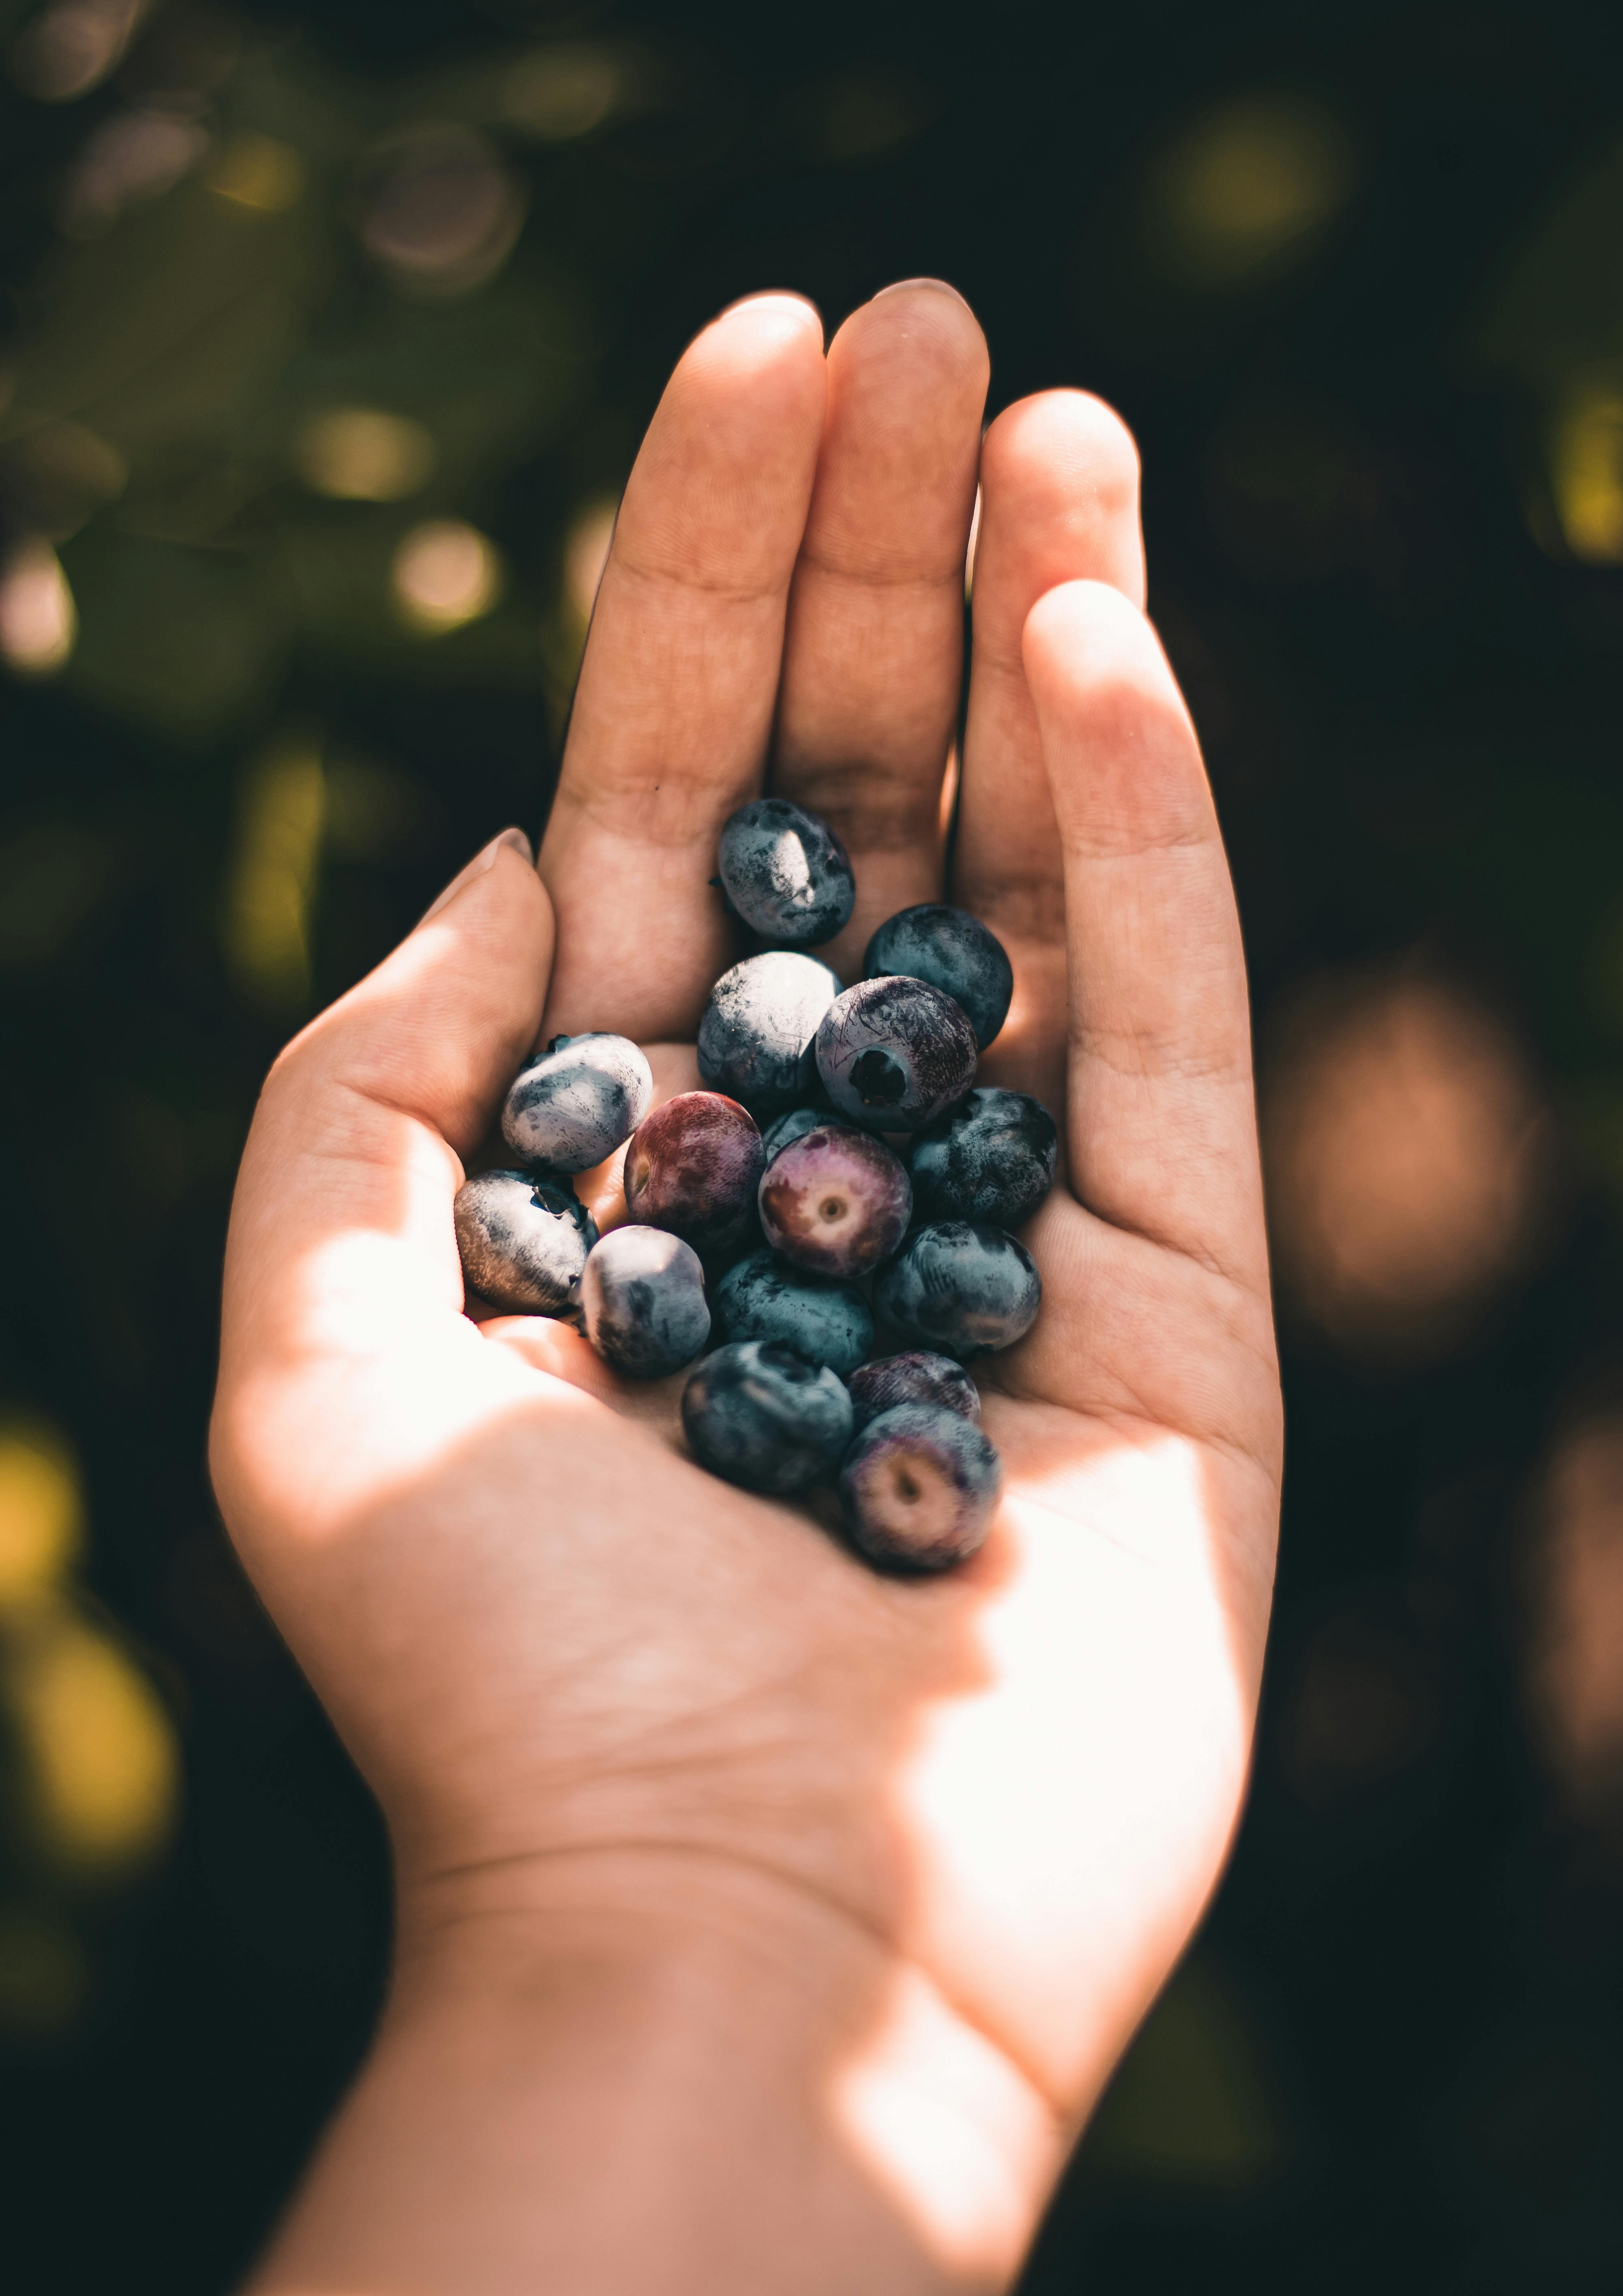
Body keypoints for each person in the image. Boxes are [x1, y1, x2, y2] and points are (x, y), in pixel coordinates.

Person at [209, 279, 1283, 2294]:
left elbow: (880, 1198)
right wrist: (708, 1886)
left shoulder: (869, 1205)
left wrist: (675, 1901)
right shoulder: (735, 1200)